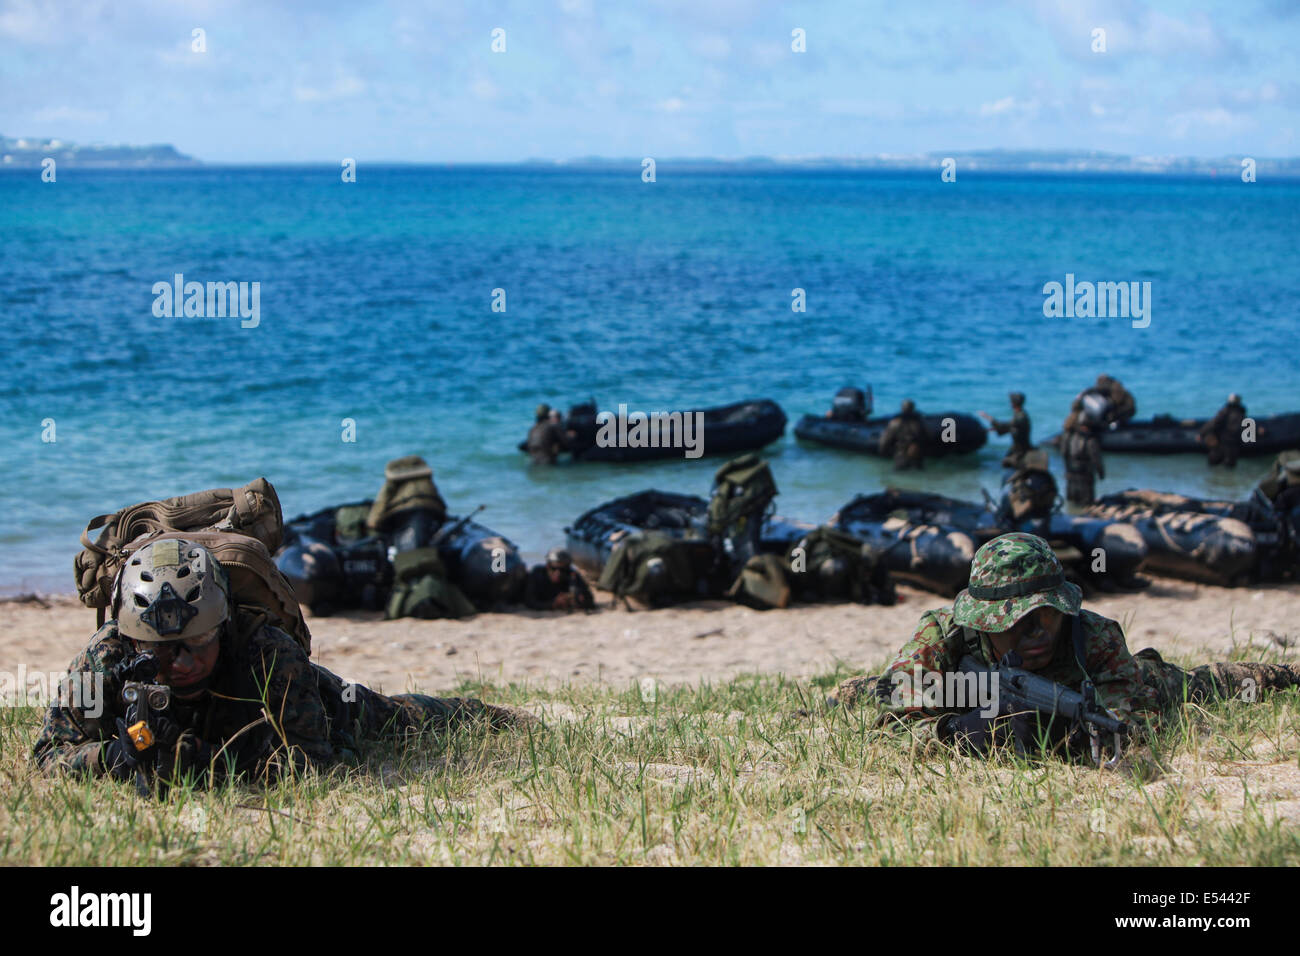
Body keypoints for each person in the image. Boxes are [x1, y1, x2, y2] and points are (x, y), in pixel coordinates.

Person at [33, 540, 526, 786]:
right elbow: (47, 756)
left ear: (221, 627)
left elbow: (316, 764)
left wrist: (209, 763)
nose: (177, 663)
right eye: (157, 651)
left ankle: (491, 713)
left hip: (324, 709)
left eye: (194, 642)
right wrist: (110, 759)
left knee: (401, 717)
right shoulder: (104, 659)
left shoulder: (268, 652)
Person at [830, 533, 1297, 760]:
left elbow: (1130, 719)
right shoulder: (945, 634)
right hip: (966, 696)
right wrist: (955, 733)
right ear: (985, 622)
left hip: (1100, 687)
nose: (1037, 632)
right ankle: (845, 690)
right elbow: (889, 730)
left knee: (1190, 685)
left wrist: (1069, 740)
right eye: (1018, 621)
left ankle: (1286, 672)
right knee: (882, 690)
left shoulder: (1094, 635)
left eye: (1047, 614)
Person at [1061, 400, 1104, 506]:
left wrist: (1067, 469)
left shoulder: (1070, 436)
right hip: (1084, 473)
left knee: (1072, 500)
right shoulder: (1090, 440)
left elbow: (1064, 453)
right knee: (1086, 501)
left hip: (1071, 470)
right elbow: (1095, 458)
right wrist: (1100, 472)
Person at [524, 547, 594, 612]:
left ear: (567, 568)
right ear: (547, 566)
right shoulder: (537, 574)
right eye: (553, 568)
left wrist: (577, 599)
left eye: (562, 569)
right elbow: (530, 601)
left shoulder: (572, 575)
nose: (558, 573)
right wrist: (553, 604)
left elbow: (589, 599)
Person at [979, 391, 1033, 469]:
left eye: (1011, 402)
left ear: (1013, 404)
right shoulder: (1021, 414)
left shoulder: (1021, 417)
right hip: (1017, 449)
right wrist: (991, 429)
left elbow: (1005, 425)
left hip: (1021, 450)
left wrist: (988, 417)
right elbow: (1010, 427)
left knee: (1005, 464)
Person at [1199, 393, 1248, 468]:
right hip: (1231, 442)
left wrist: (1202, 433)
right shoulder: (1239, 412)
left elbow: (1214, 423)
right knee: (1229, 466)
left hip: (1224, 441)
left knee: (1215, 463)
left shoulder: (1226, 411)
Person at [879, 399, 927, 470]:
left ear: (902, 408)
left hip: (902, 456)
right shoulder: (920, 422)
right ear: (913, 408)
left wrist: (884, 453)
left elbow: (884, 442)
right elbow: (928, 437)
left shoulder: (895, 423)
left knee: (898, 477)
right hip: (917, 457)